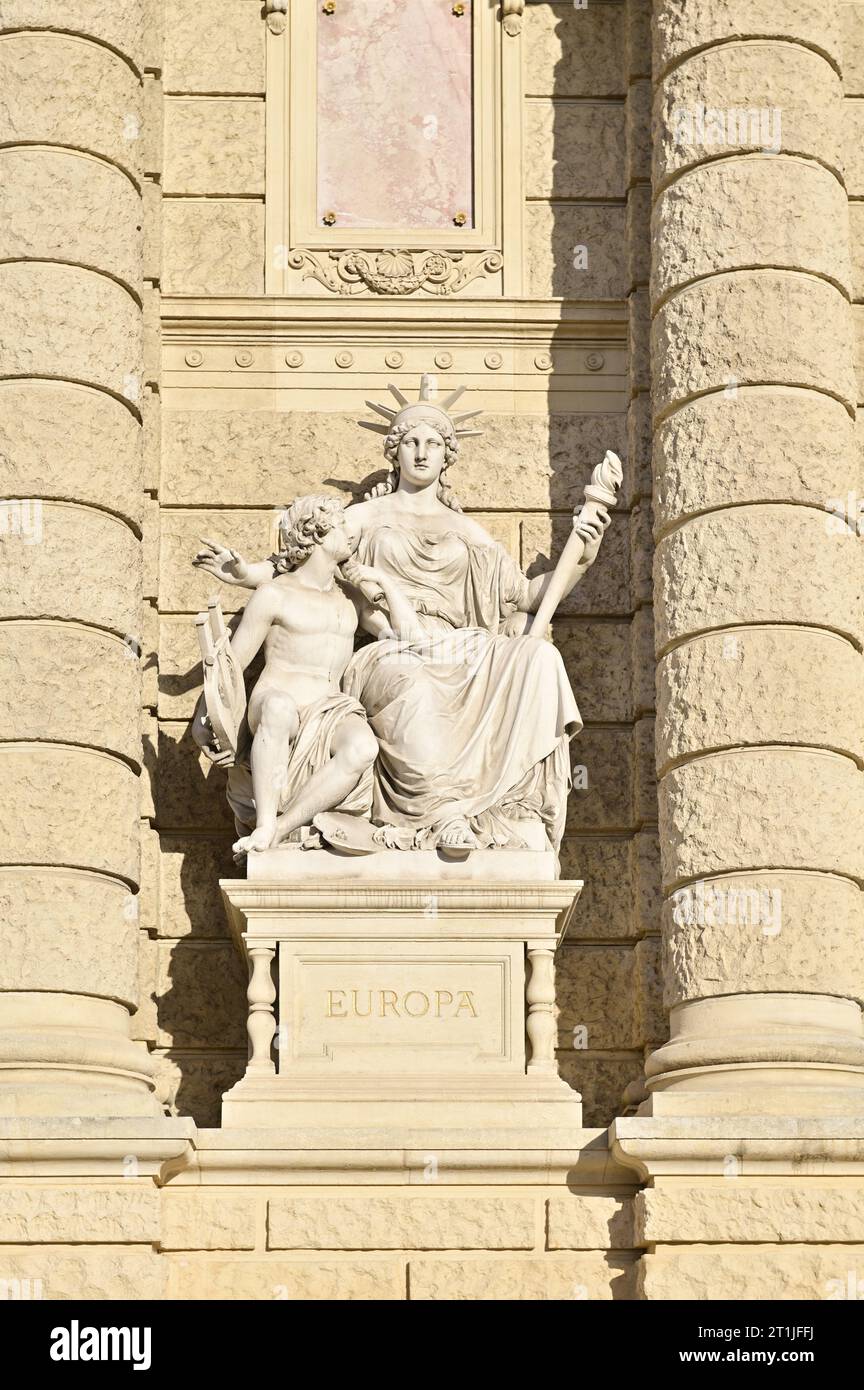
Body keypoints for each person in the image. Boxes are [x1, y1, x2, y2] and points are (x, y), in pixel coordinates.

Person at [194, 378, 611, 854]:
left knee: (539, 658)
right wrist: (245, 572)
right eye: (411, 441)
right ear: (395, 451)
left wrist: (583, 557)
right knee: (411, 681)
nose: (420, 452)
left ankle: (498, 812)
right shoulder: (364, 517)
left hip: (462, 644)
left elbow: (530, 596)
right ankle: (441, 814)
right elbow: (302, 555)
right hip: (390, 643)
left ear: (446, 455)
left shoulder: (467, 530)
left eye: (432, 443)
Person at [193, 494, 418, 855]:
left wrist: (386, 586)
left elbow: (410, 640)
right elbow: (231, 665)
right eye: (341, 524)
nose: (351, 531)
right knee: (279, 709)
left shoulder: (351, 599)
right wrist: (203, 718)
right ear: (315, 533)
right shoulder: (273, 595)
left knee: (363, 747)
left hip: (330, 707)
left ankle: (280, 827)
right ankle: (265, 821)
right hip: (277, 699)